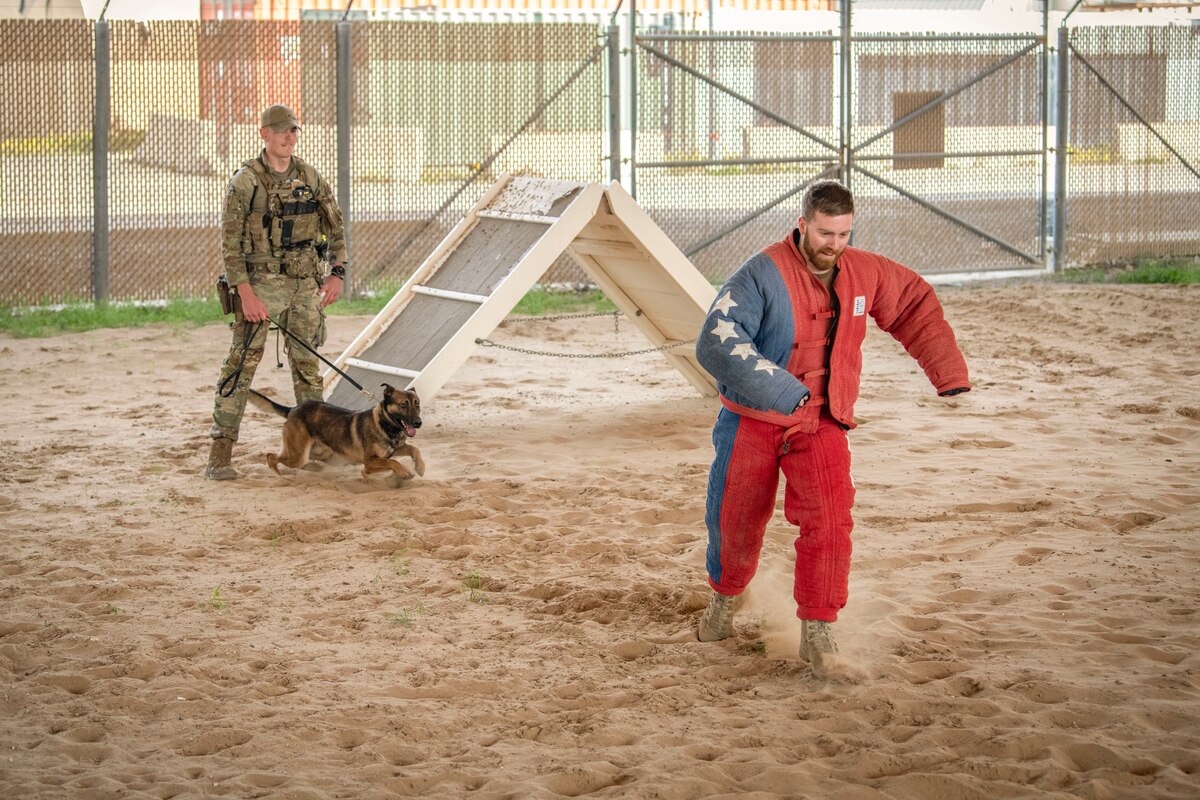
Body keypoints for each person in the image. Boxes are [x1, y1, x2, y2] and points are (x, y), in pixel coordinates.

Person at [693, 179, 970, 678]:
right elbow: (716, 340)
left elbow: (913, 305)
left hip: (823, 422)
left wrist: (948, 374)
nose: (834, 245)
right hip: (752, 419)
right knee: (734, 517)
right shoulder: (760, 272)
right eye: (824, 233)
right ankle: (725, 595)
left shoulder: (865, 271)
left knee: (831, 522)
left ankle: (818, 630)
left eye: (843, 234)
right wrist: (779, 391)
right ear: (803, 225)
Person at [205, 104, 348, 480]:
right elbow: (230, 245)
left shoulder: (310, 177)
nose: (290, 137)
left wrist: (337, 273)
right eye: (282, 131)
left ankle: (316, 446)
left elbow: (336, 229)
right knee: (240, 367)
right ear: (264, 134)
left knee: (308, 369)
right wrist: (246, 293)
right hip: (262, 287)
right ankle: (220, 455)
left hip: (304, 287)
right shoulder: (246, 182)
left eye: (294, 131)